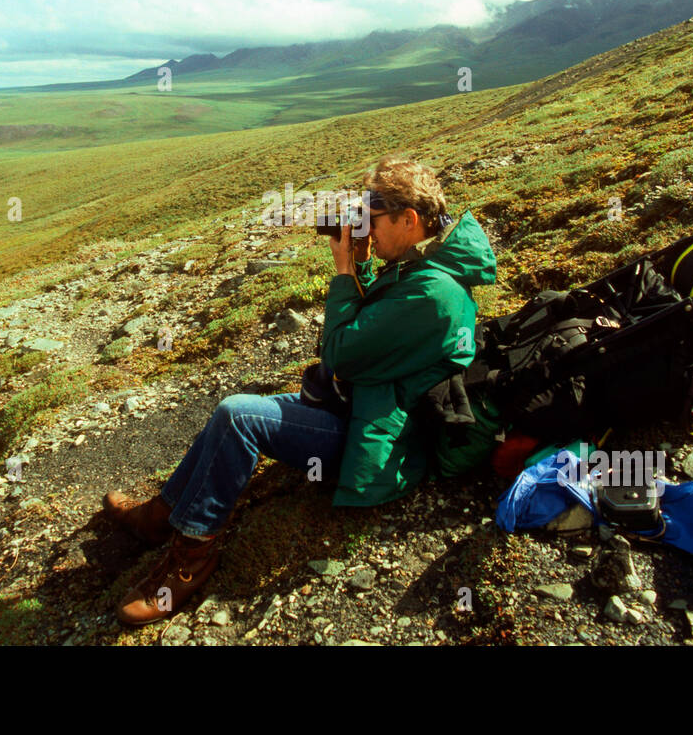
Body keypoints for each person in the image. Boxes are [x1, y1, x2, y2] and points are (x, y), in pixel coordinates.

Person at [102, 157, 498, 626]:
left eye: (373, 217)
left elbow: (341, 351)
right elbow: (378, 323)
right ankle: (161, 515)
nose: (365, 226)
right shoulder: (423, 263)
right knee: (238, 416)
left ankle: (191, 558)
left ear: (408, 220)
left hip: (378, 435)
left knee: (239, 416)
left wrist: (343, 267)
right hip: (360, 403)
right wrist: (364, 266)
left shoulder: (433, 292)